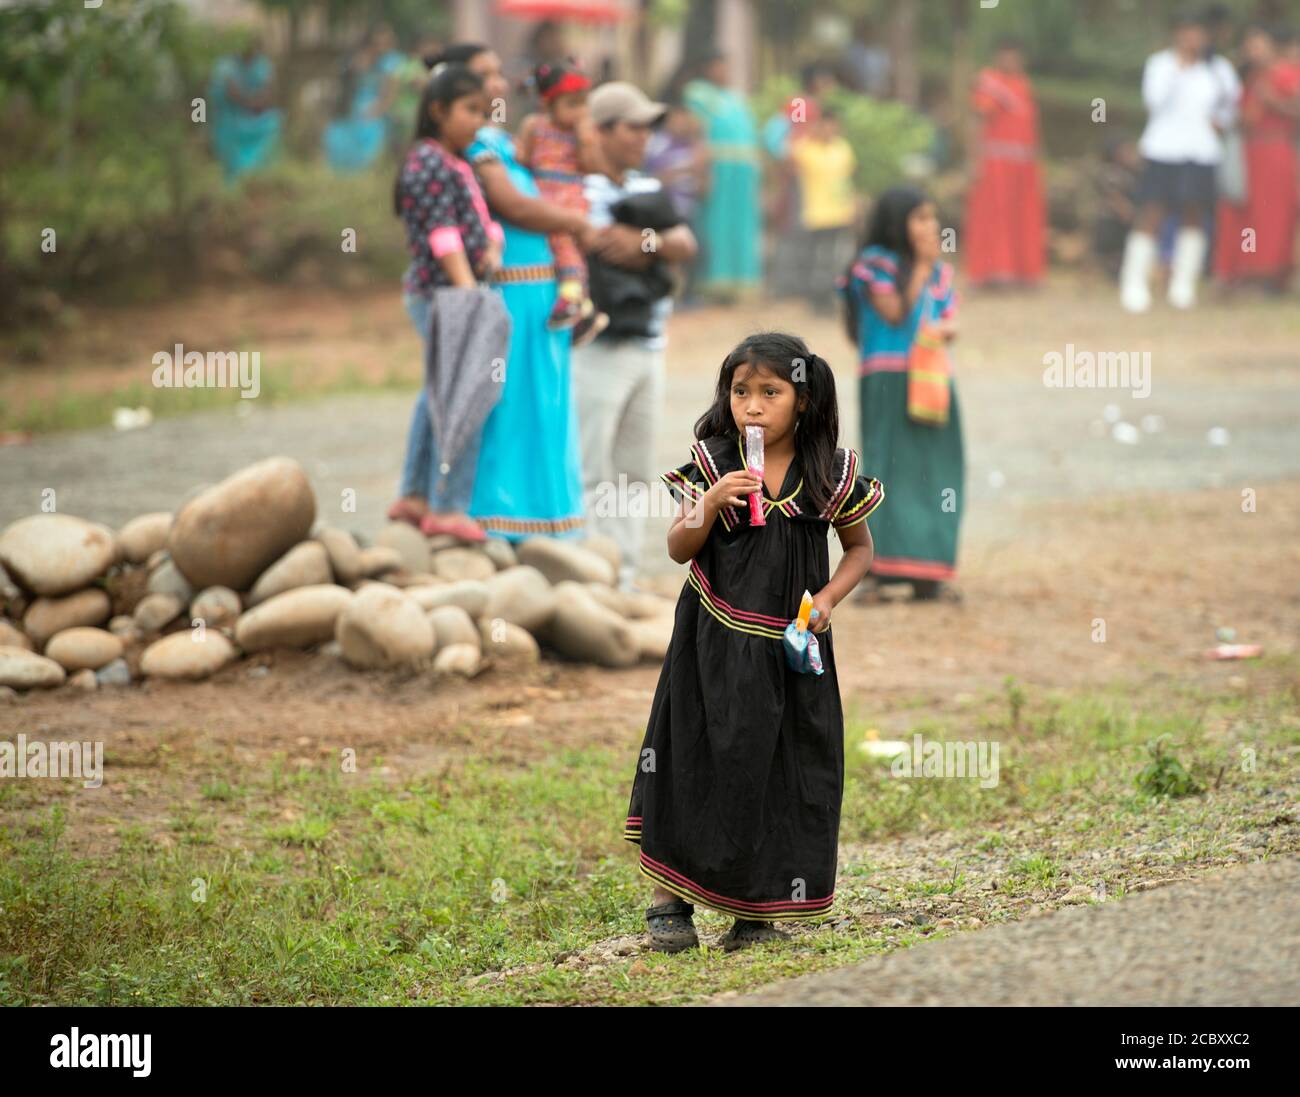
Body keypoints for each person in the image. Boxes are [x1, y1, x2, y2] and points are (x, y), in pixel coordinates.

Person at [623, 332, 883, 953]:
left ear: (805, 400)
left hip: (789, 652)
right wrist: (709, 504)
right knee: (692, 757)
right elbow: (678, 548)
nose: (754, 407)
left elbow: (861, 550)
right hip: (710, 645)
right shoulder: (715, 462)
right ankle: (670, 901)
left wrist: (826, 601)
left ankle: (756, 905)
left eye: (771, 392)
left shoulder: (828, 474)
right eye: (742, 392)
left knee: (777, 769)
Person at [455, 43, 596, 541]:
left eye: (498, 75)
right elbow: (514, 206)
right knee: (512, 404)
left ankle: (554, 523)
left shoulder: (506, 141)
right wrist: (580, 222)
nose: (498, 84)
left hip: (542, 295)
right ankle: (503, 520)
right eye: (485, 75)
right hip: (510, 295)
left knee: (548, 404)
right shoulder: (477, 149)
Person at [571, 82, 697, 592]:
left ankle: (619, 572)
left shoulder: (646, 187)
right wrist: (653, 244)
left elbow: (683, 241)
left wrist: (644, 241)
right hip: (597, 344)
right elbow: (592, 244)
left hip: (648, 343)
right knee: (589, 462)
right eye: (632, 127)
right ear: (599, 131)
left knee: (632, 471)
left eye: (648, 127)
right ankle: (582, 568)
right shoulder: (576, 190)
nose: (643, 137)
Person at [387, 65, 503, 542]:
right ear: (438, 111)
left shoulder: (456, 160)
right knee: (465, 393)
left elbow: (475, 221)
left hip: (454, 292)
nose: (479, 119)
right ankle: (449, 505)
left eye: (482, 109)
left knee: (437, 391)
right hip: (448, 295)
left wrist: (491, 246)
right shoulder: (430, 162)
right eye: (470, 110)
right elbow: (444, 234)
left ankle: (414, 495)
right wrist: (469, 292)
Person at [840, 187, 963, 601]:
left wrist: (946, 326)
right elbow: (895, 314)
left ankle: (928, 568)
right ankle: (879, 570)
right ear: (897, 223)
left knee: (934, 469)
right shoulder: (876, 264)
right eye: (920, 219)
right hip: (888, 379)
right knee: (888, 468)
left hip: (930, 377)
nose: (931, 227)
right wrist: (922, 266)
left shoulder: (940, 273)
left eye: (933, 218)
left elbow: (945, 319)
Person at [1119, 10, 1241, 312]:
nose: (1192, 39)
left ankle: (1183, 284)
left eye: (1198, 33)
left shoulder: (1219, 68)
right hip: (1163, 148)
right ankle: (1134, 282)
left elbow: (1231, 107)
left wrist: (1220, 123)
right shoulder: (1160, 64)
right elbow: (1154, 101)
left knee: (1194, 214)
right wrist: (1181, 69)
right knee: (1151, 211)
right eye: (1187, 32)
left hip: (1201, 151)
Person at [516, 61, 608, 340]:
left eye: (584, 104)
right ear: (548, 103)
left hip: (568, 197)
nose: (580, 111)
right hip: (542, 193)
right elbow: (522, 159)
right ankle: (587, 308)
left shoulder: (583, 132)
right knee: (552, 248)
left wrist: (585, 140)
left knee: (564, 241)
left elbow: (592, 166)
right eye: (572, 104)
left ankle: (571, 295)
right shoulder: (534, 125)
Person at [1214, 25, 1300, 291]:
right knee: (1243, 213)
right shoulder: (1248, 78)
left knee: (1273, 213)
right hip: (1248, 153)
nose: (1254, 51)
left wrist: (1273, 100)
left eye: (1259, 45)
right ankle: (1241, 272)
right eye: (1249, 47)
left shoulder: (1285, 74)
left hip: (1275, 150)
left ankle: (1271, 274)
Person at [962, 38, 1046, 289]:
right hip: (995, 162)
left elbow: (1032, 127)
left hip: (1024, 164)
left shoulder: (1023, 84)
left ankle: (1024, 272)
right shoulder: (990, 83)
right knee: (993, 216)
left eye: (1016, 55)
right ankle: (990, 272)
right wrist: (972, 159)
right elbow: (977, 121)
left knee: (1024, 217)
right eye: (1006, 55)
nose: (1011, 60)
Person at [683, 51, 762, 300]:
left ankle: (741, 283)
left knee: (743, 225)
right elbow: (695, 132)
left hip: (743, 172)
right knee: (716, 224)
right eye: (718, 67)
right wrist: (702, 170)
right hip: (718, 168)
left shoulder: (737, 98)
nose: (724, 72)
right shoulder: (697, 94)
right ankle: (713, 283)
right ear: (707, 68)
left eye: (726, 67)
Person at [787, 105, 858, 312]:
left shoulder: (843, 149)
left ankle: (830, 296)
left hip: (840, 212)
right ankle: (816, 299)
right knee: (818, 258)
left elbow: (848, 180)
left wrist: (852, 204)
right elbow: (788, 155)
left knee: (837, 258)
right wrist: (800, 124)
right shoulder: (806, 149)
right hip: (816, 213)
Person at [323, 24, 404, 173]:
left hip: (375, 110)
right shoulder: (354, 59)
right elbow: (341, 86)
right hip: (350, 107)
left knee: (369, 133)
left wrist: (376, 110)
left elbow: (388, 96)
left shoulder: (390, 63)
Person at [208, 37, 282, 181]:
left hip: (254, 116)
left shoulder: (262, 65)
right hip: (230, 117)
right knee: (230, 147)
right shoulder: (225, 65)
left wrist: (258, 103)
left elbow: (269, 89)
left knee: (275, 121)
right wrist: (250, 104)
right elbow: (231, 91)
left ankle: (264, 173)